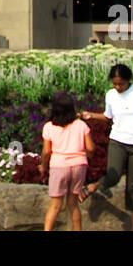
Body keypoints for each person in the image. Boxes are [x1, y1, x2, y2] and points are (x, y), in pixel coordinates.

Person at [83, 63, 133, 231]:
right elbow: (107, 116)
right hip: (118, 141)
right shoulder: (111, 95)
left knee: (132, 188)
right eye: (114, 84)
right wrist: (91, 116)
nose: (117, 87)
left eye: (121, 84)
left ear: (128, 81)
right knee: (113, 176)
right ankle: (94, 186)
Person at [38, 92, 95, 231]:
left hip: (59, 166)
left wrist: (43, 166)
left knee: (55, 206)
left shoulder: (49, 127)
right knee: (73, 204)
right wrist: (86, 156)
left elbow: (46, 152)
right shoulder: (80, 125)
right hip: (78, 165)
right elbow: (91, 147)